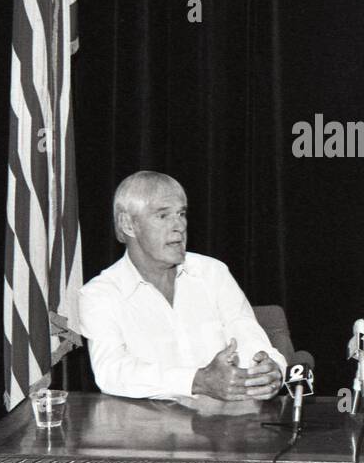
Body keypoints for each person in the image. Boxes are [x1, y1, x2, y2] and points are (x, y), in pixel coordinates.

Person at [78, 171, 286, 402]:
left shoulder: (213, 273)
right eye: (163, 215)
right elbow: (111, 371)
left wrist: (268, 367)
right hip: (150, 429)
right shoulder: (99, 294)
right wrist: (196, 381)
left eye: (181, 213)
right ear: (128, 223)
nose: (179, 225)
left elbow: (248, 335)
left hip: (229, 425)